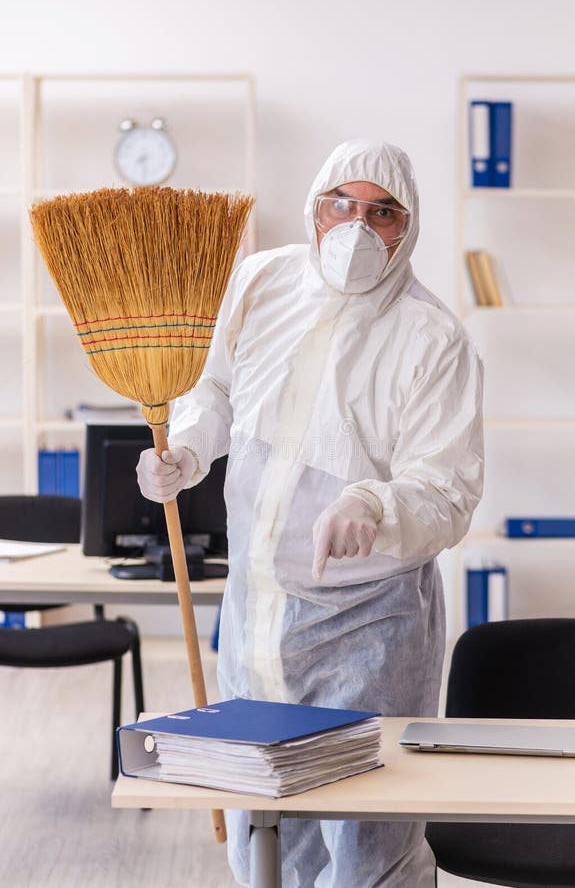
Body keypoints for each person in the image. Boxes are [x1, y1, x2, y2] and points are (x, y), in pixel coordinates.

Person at [136, 138, 484, 887]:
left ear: (408, 225)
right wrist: (188, 450)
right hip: (255, 605)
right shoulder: (261, 283)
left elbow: (447, 489)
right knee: (263, 827)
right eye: (342, 204)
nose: (357, 227)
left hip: (369, 619)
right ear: (315, 205)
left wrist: (374, 501)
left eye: (381, 212)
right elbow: (216, 391)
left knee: (369, 838)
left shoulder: (433, 338)